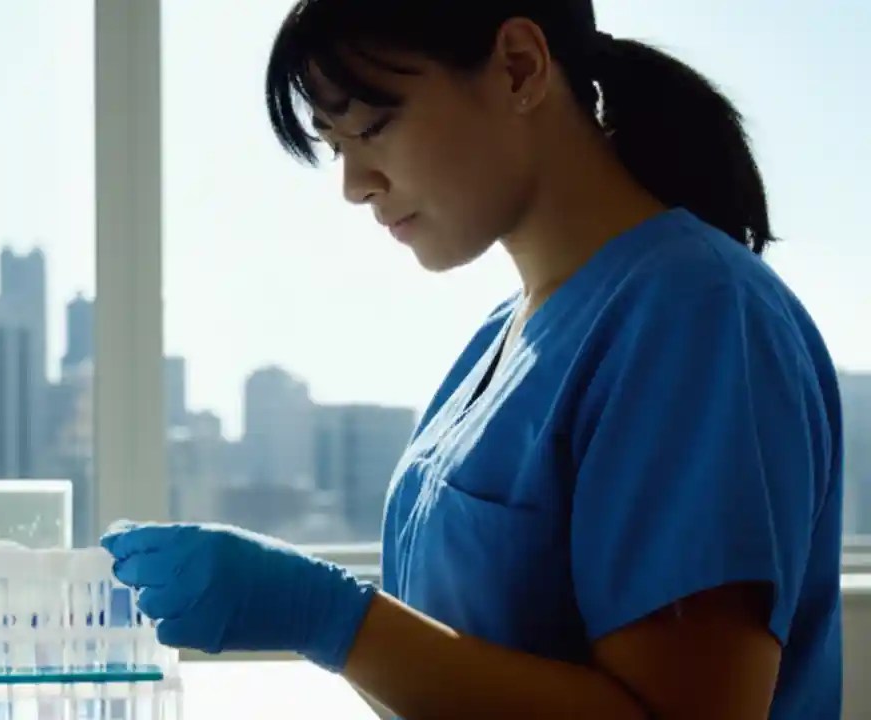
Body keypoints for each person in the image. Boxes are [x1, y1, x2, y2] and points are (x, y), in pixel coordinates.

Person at [101, 1, 844, 717]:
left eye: (373, 127)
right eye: (336, 149)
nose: (355, 186)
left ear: (519, 68)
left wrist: (326, 616)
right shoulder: (501, 341)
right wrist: (329, 623)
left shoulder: (696, 315)